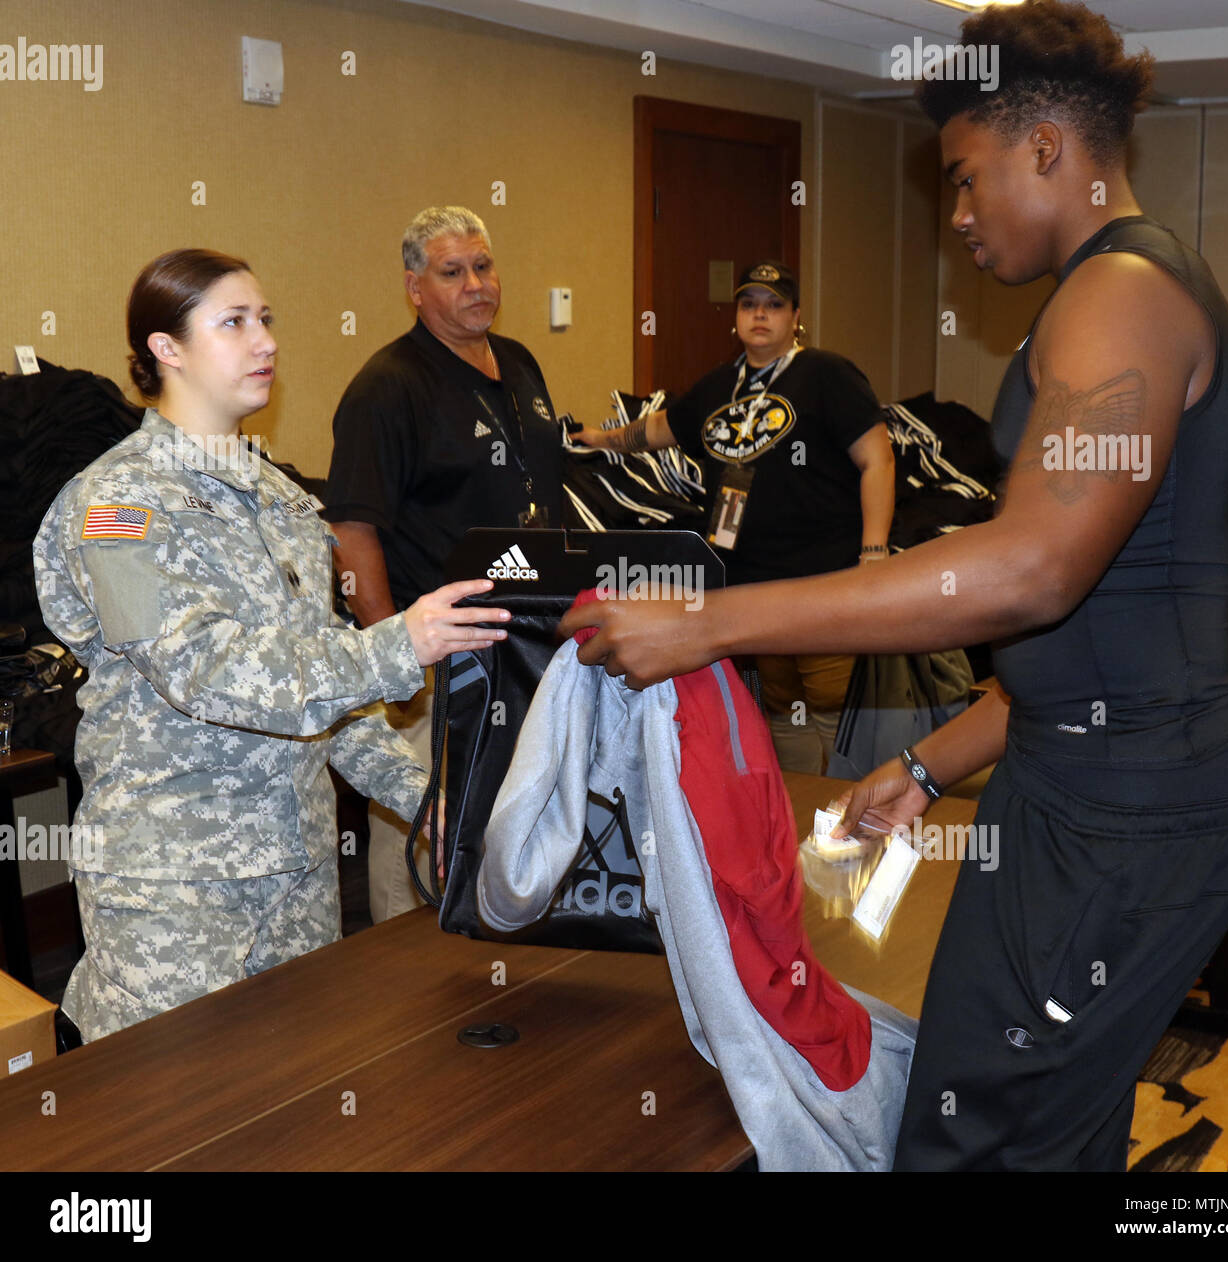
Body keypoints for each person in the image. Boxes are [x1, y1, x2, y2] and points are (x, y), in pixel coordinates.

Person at [558, 0, 1228, 1171]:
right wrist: (920, 764)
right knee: (1035, 1116)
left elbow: (1028, 571)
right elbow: (1101, 623)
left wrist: (708, 623)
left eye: (964, 177)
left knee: (978, 1130)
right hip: (1088, 776)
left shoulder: (1122, 298)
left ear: (1044, 146)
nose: (953, 216)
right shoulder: (1128, 291)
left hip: (1135, 810)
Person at [33, 248, 510, 1041]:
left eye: (266, 320)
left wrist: (422, 797)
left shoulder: (282, 501)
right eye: (234, 322)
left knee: (294, 1105)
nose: (265, 341)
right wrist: (399, 643)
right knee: (175, 1118)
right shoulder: (116, 509)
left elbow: (321, 688)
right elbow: (200, 670)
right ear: (167, 348)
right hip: (176, 888)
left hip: (297, 873)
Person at [323, 206, 565, 921]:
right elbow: (352, 530)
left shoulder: (519, 361)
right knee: (420, 817)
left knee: (501, 805)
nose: (475, 286)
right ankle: (405, 979)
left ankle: (493, 944)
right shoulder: (387, 387)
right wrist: (395, 653)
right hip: (433, 653)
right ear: (415, 288)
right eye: (451, 272)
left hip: (523, 640)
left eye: (483, 267)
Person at [573, 261, 894, 772]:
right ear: (736, 317)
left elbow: (877, 459)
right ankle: (793, 808)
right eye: (749, 304)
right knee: (780, 709)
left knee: (832, 708)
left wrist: (874, 554)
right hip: (749, 583)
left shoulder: (828, 374)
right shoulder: (720, 385)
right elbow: (657, 430)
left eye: (774, 305)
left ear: (795, 317)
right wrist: (601, 439)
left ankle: (843, 829)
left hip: (826, 579)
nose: (760, 315)